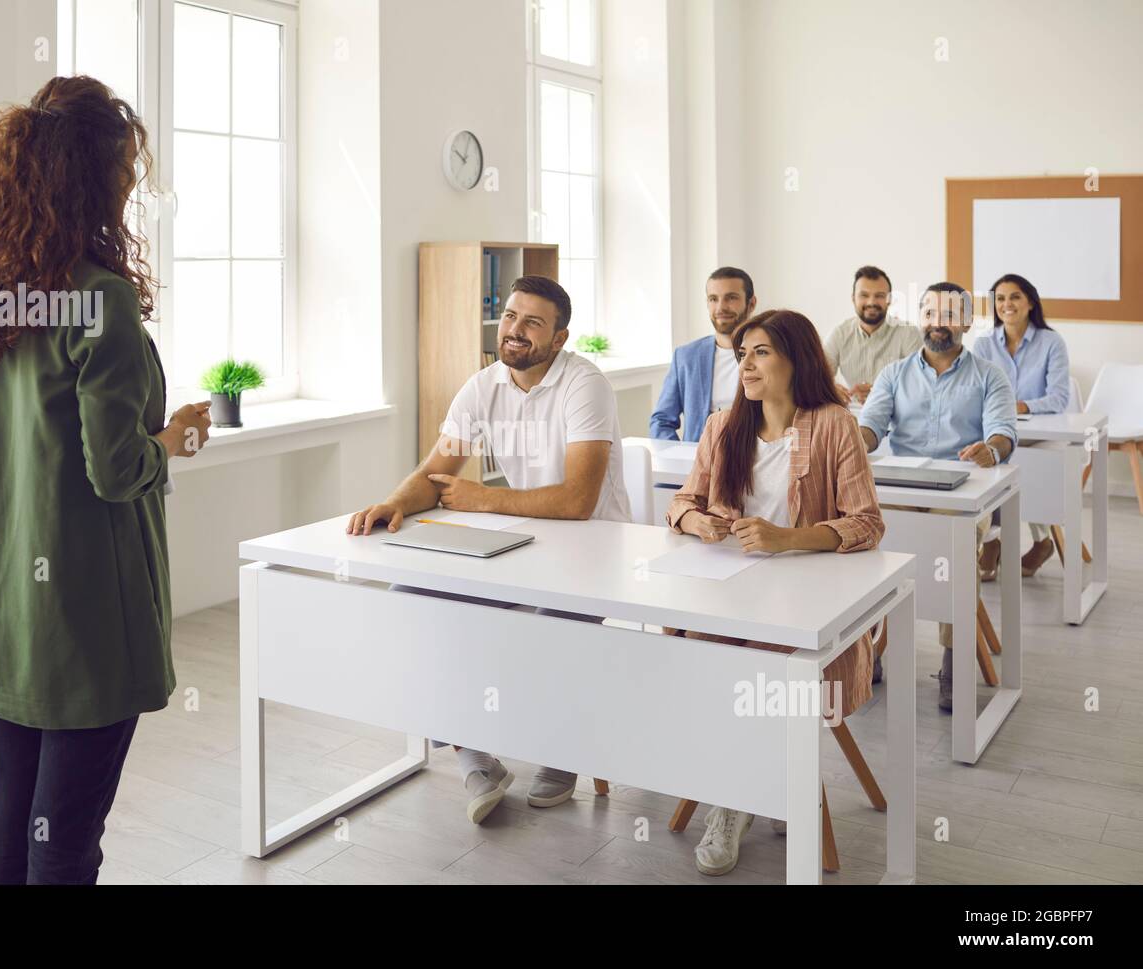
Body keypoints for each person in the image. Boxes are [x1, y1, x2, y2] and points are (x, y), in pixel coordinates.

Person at [0, 76, 212, 884]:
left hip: (1, 598)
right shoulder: (102, 302)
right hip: (85, 616)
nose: (132, 186)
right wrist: (177, 436)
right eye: (126, 169)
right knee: (63, 838)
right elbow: (117, 466)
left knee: (8, 820)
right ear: (94, 179)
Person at [347, 275, 631, 824]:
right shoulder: (483, 386)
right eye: (509, 316)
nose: (515, 331)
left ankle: (561, 750)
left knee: (552, 629)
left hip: (595, 546)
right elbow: (437, 473)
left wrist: (481, 499)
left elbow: (577, 501)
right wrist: (393, 503)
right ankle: (474, 755)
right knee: (412, 601)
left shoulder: (584, 385)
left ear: (559, 337)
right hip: (522, 539)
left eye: (533, 322)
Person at [664, 309, 884, 876]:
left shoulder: (834, 424)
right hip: (729, 593)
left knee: (757, 669)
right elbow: (680, 503)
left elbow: (866, 523)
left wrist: (786, 539)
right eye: (742, 355)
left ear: (795, 359)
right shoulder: (722, 427)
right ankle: (773, 780)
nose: (747, 365)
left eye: (760, 352)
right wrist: (697, 524)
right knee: (698, 657)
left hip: (809, 606)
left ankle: (740, 797)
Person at [857, 282, 1017, 712]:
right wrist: (855, 439)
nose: (938, 324)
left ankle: (951, 658)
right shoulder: (894, 374)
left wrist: (992, 447)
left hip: (962, 495)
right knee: (862, 542)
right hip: (905, 489)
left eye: (949, 315)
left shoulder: (989, 375)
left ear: (965, 321)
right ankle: (867, 646)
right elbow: (871, 428)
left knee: (952, 552)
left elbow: (1005, 431)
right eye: (930, 314)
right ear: (920, 319)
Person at [972, 273, 1071, 579]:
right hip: (997, 430)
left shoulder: (1051, 342)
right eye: (1000, 299)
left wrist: (1021, 405)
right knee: (985, 457)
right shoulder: (984, 344)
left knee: (1022, 461)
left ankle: (1032, 541)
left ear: (1030, 302)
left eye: (1014, 297)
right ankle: (992, 538)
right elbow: (974, 391)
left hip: (1040, 435)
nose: (1007, 304)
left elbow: (1059, 397)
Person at [649, 267, 756, 442]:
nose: (721, 307)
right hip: (699, 461)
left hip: (752, 458)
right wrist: (683, 459)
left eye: (731, 298)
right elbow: (661, 421)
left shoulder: (769, 355)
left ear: (751, 303)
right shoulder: (685, 357)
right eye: (713, 299)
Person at [823, 265, 922, 405]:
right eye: (864, 295)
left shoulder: (908, 333)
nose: (871, 302)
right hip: (854, 417)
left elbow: (922, 385)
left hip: (897, 420)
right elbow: (816, 378)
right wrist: (830, 389)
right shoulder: (839, 334)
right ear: (853, 298)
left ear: (889, 300)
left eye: (879, 296)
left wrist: (881, 392)